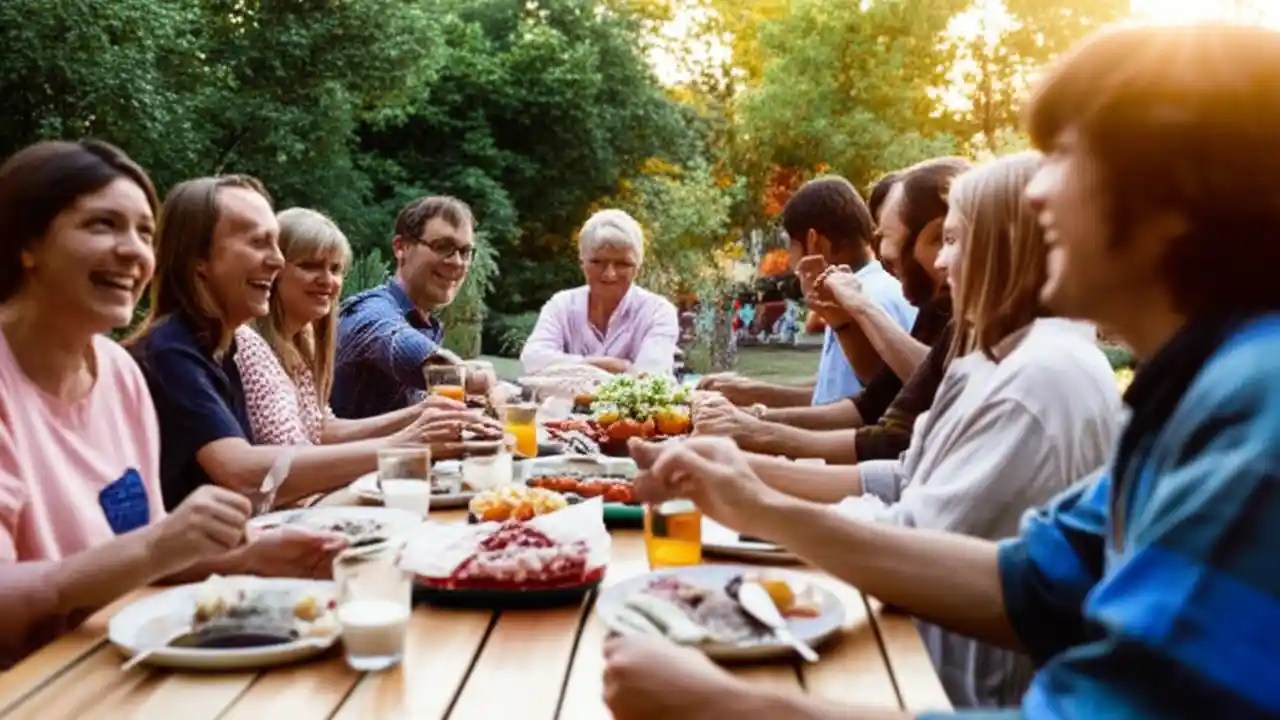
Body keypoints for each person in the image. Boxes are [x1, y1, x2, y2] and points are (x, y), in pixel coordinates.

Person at [605, 23, 1280, 720]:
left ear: (1172, 196)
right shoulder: (1196, 389)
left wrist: (729, 709)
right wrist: (749, 497)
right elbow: (1028, 584)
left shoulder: (1257, 422)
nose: (1037, 196)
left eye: (1065, 158)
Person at [0, 140, 342, 667]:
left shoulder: (117, 373)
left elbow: (143, 552)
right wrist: (155, 548)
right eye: (102, 225)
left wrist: (246, 557)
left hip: (117, 660)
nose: (134, 251)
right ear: (27, 242)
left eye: (144, 232)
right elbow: (140, 552)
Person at [129, 178, 473, 511]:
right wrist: (406, 444)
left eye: (276, 245)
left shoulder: (222, 345)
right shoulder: (174, 350)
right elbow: (245, 472)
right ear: (198, 260)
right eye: (256, 242)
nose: (277, 261)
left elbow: (314, 432)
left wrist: (420, 419)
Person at [696, 159, 968, 464]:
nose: (884, 251)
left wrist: (760, 428)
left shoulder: (876, 295)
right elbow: (876, 395)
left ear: (813, 241)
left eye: (888, 235)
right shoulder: (930, 306)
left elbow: (921, 402)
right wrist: (753, 412)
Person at [235, 207, 488, 448]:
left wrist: (423, 413)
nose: (326, 280)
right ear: (272, 270)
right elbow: (285, 461)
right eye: (309, 265)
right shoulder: (371, 312)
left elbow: (322, 429)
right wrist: (481, 382)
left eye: (335, 269)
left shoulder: (302, 340)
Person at [701, 176, 917, 407]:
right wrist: (748, 391)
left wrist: (752, 421)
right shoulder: (869, 289)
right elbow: (834, 390)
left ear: (814, 242)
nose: (791, 262)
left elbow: (864, 410)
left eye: (791, 247)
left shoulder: (866, 300)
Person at [332, 196, 479, 419]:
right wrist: (480, 380)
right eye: (443, 247)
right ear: (401, 248)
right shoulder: (371, 311)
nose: (457, 262)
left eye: (465, 251)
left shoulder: (426, 324)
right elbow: (410, 350)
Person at [520, 209, 679, 377]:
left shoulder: (658, 311)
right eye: (597, 262)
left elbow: (651, 375)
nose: (609, 274)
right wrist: (611, 365)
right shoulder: (562, 305)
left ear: (637, 267)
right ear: (582, 263)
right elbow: (532, 359)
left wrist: (567, 366)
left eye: (622, 264)